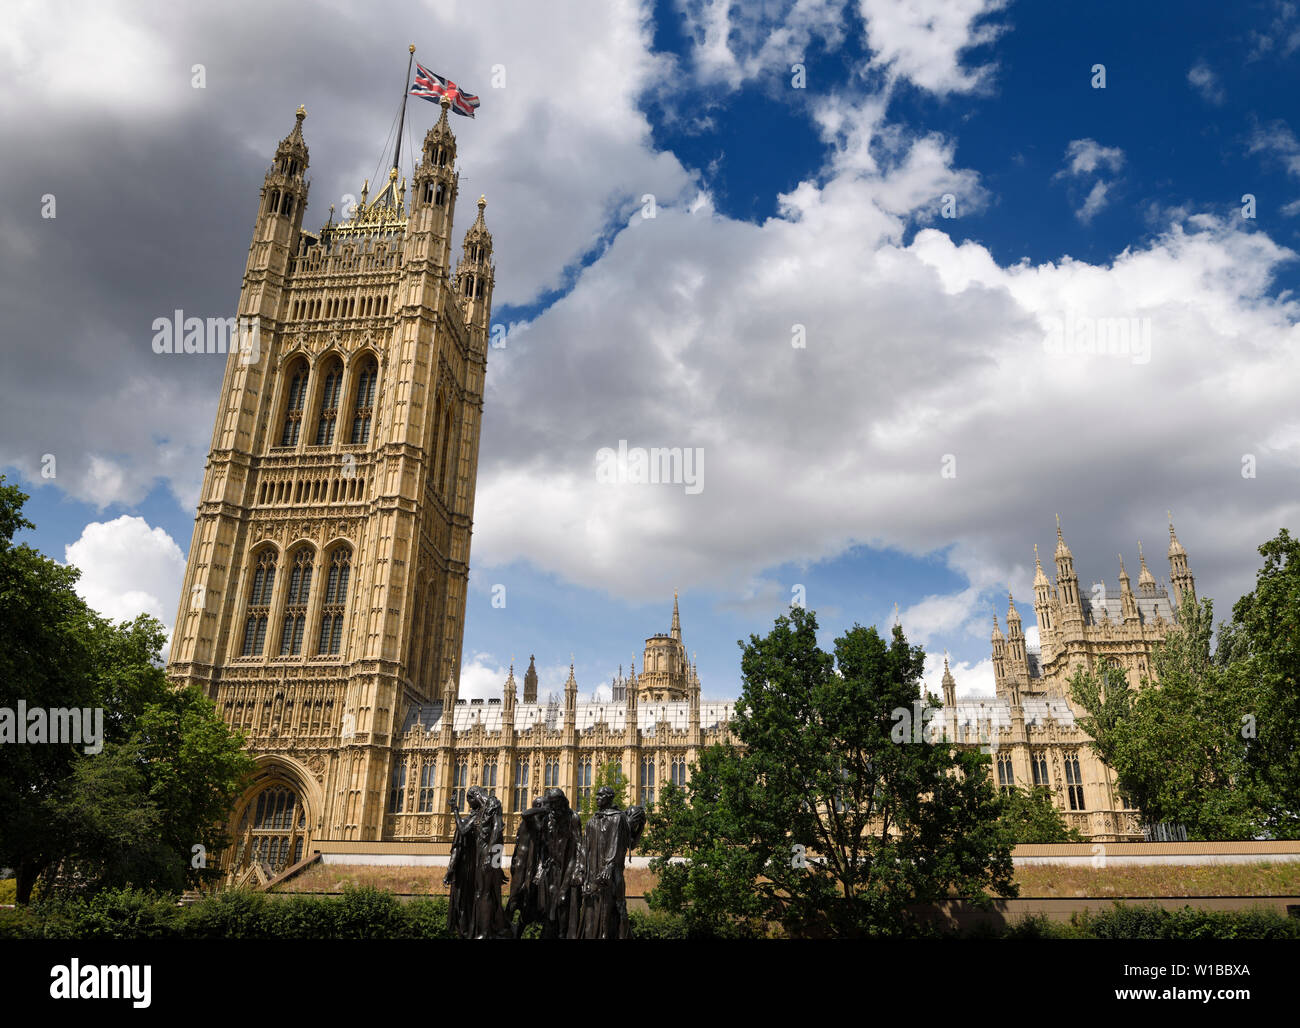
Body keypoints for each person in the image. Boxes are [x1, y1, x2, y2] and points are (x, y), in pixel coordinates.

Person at [574, 787, 645, 939]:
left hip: (611, 873)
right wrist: (581, 871)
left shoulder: (618, 818)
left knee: (618, 909)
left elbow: (621, 844)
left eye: (600, 795)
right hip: (593, 873)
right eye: (597, 795)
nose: (596, 797)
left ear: (609, 797)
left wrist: (609, 865)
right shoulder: (592, 821)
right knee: (591, 911)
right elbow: (585, 848)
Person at [444, 785, 510, 938]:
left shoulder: (493, 803)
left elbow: (498, 829)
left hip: (490, 854)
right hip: (486, 854)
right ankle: (489, 929)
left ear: (474, 796)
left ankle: (485, 932)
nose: (470, 807)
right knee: (485, 893)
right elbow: (464, 830)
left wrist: (492, 857)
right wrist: (455, 810)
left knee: (484, 893)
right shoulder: (479, 812)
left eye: (470, 802)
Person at [506, 795, 545, 937]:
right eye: (541, 805)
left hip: (534, 868)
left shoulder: (542, 824)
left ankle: (518, 930)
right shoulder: (529, 821)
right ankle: (505, 928)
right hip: (522, 868)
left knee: (530, 905)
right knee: (515, 900)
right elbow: (525, 813)